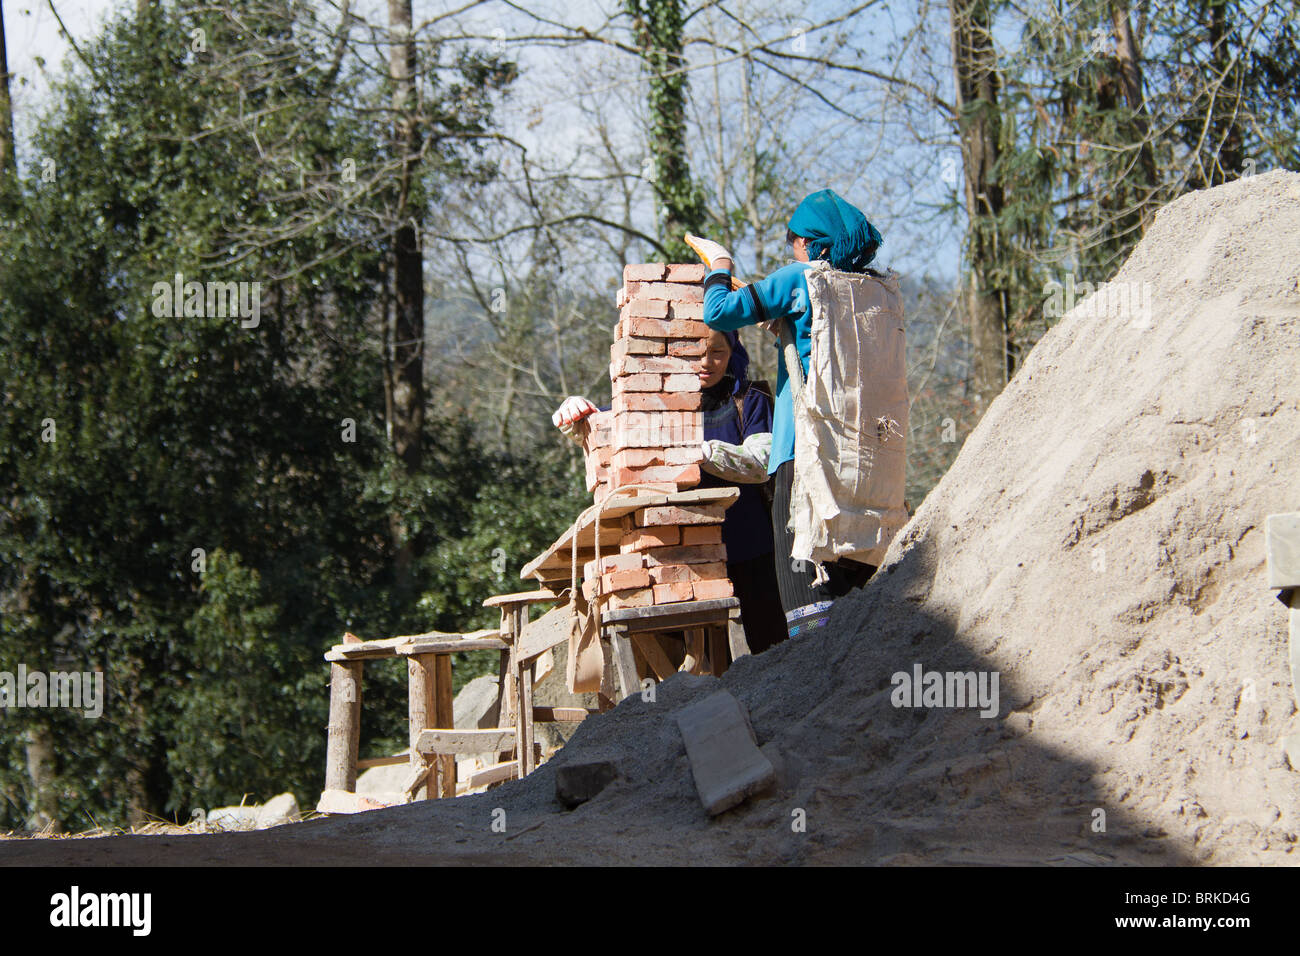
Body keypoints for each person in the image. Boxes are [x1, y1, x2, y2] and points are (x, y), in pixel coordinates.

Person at [687, 188, 885, 638]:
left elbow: (718, 313)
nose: (790, 248)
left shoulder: (801, 276)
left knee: (798, 569)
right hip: (858, 452)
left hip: (802, 449)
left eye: (793, 238)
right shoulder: (867, 289)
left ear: (810, 243)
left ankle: (810, 670)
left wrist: (720, 266)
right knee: (844, 558)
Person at [552, 327, 790, 654]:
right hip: (680, 562)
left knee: (769, 651)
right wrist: (576, 417)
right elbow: (607, 432)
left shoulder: (750, 399)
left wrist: (700, 452)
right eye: (694, 353)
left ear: (733, 352)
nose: (706, 363)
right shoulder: (653, 403)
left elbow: (761, 461)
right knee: (698, 662)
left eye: (718, 352)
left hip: (749, 552)